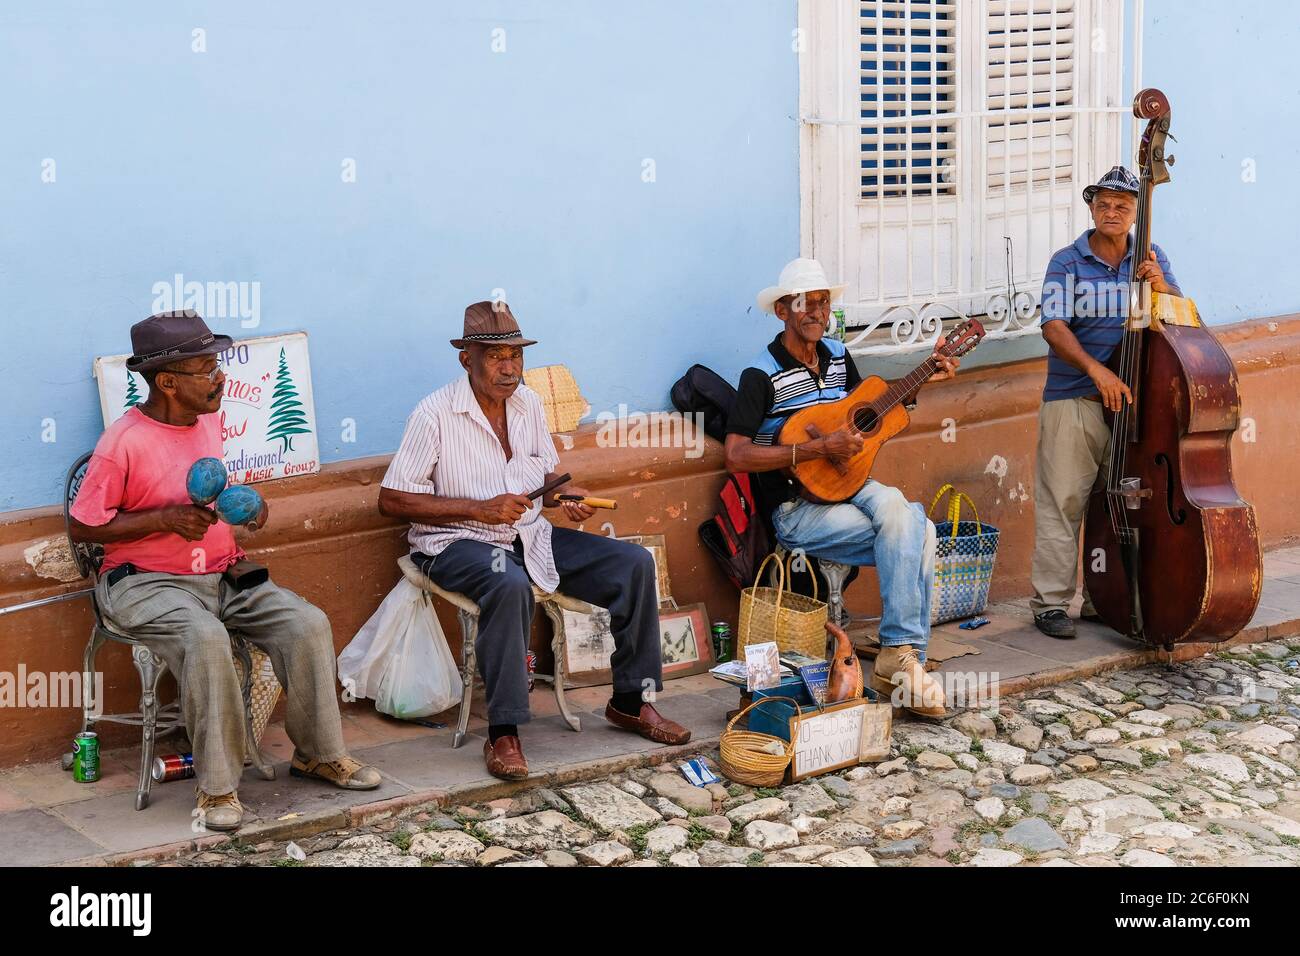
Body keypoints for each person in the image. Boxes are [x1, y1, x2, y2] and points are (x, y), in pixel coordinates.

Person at [69, 311, 380, 831]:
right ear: (167, 382)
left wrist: (250, 510)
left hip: (221, 574)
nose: (220, 378)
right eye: (207, 369)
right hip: (144, 582)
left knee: (307, 624)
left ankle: (319, 754)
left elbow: (214, 494)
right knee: (207, 639)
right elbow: (83, 526)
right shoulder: (122, 442)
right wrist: (163, 519)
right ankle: (216, 791)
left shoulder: (210, 421)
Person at [378, 301, 690, 781]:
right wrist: (477, 508)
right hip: (455, 541)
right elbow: (392, 500)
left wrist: (565, 496)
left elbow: (543, 478)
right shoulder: (434, 414)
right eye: (496, 357)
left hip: (527, 534)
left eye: (516, 356)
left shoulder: (528, 404)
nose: (509, 368)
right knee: (509, 585)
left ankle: (631, 700)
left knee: (632, 564)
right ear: (467, 360)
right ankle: (503, 731)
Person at [723, 259, 958, 716]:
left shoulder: (836, 355)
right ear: (782, 311)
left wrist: (924, 375)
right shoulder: (760, 374)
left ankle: (899, 658)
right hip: (797, 507)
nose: (815, 312)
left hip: (852, 484)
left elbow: (868, 411)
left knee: (908, 519)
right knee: (920, 533)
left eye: (822, 302)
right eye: (804, 304)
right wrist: (814, 450)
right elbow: (735, 454)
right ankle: (904, 662)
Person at [1031, 166, 1181, 639]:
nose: (1112, 212)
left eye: (1123, 205)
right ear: (1092, 209)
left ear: (1137, 212)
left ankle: (1105, 596)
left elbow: (1182, 319)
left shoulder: (1150, 255)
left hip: (1137, 406)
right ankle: (1051, 603)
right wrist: (1097, 371)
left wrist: (1163, 288)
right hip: (1075, 396)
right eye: (1104, 204)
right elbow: (1053, 326)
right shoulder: (1067, 262)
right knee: (1065, 500)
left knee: (1117, 503)